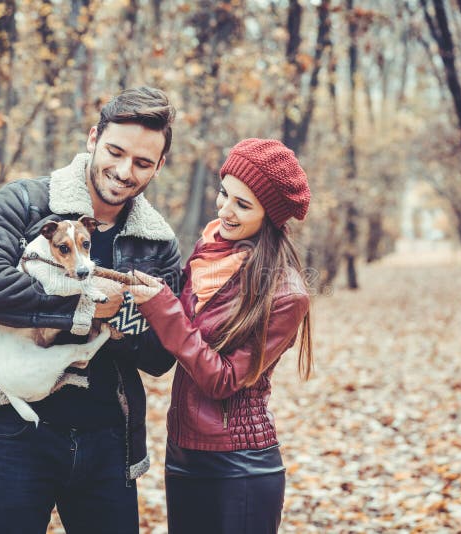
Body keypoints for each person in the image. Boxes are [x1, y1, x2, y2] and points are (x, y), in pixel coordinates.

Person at [0, 86, 181, 533]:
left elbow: (160, 358)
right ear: (93, 137)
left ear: (159, 166)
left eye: (141, 162)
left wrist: (123, 315)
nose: (123, 170)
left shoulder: (158, 243)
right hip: (19, 430)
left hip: (108, 438)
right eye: (115, 151)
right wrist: (84, 309)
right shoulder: (26, 203)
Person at [126, 138, 314, 534]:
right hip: (182, 454)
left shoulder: (285, 292)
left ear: (271, 215)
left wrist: (163, 307)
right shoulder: (208, 252)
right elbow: (180, 337)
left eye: (243, 205)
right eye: (225, 194)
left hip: (240, 466)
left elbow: (222, 379)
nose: (225, 210)